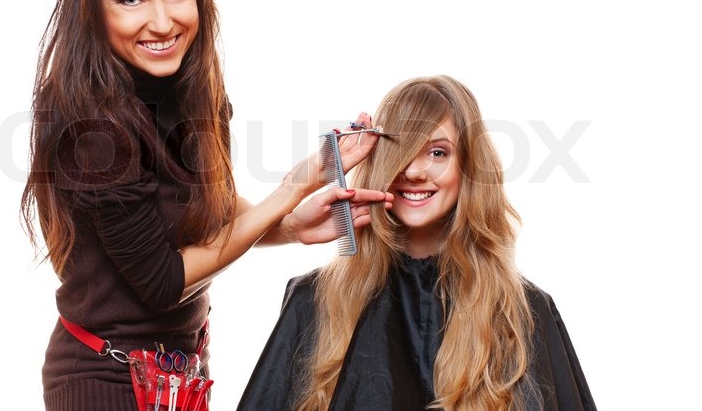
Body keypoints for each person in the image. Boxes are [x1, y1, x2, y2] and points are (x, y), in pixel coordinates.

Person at [20, 0, 391, 411]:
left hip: (181, 375)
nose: (162, 21)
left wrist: (288, 227)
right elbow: (162, 281)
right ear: (94, 10)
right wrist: (289, 192)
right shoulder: (92, 131)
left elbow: (199, 210)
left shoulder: (186, 89)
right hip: (104, 384)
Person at [238, 75, 597, 411]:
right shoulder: (313, 301)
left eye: (438, 153)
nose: (413, 171)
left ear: (468, 167)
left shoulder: (525, 312)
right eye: (402, 151)